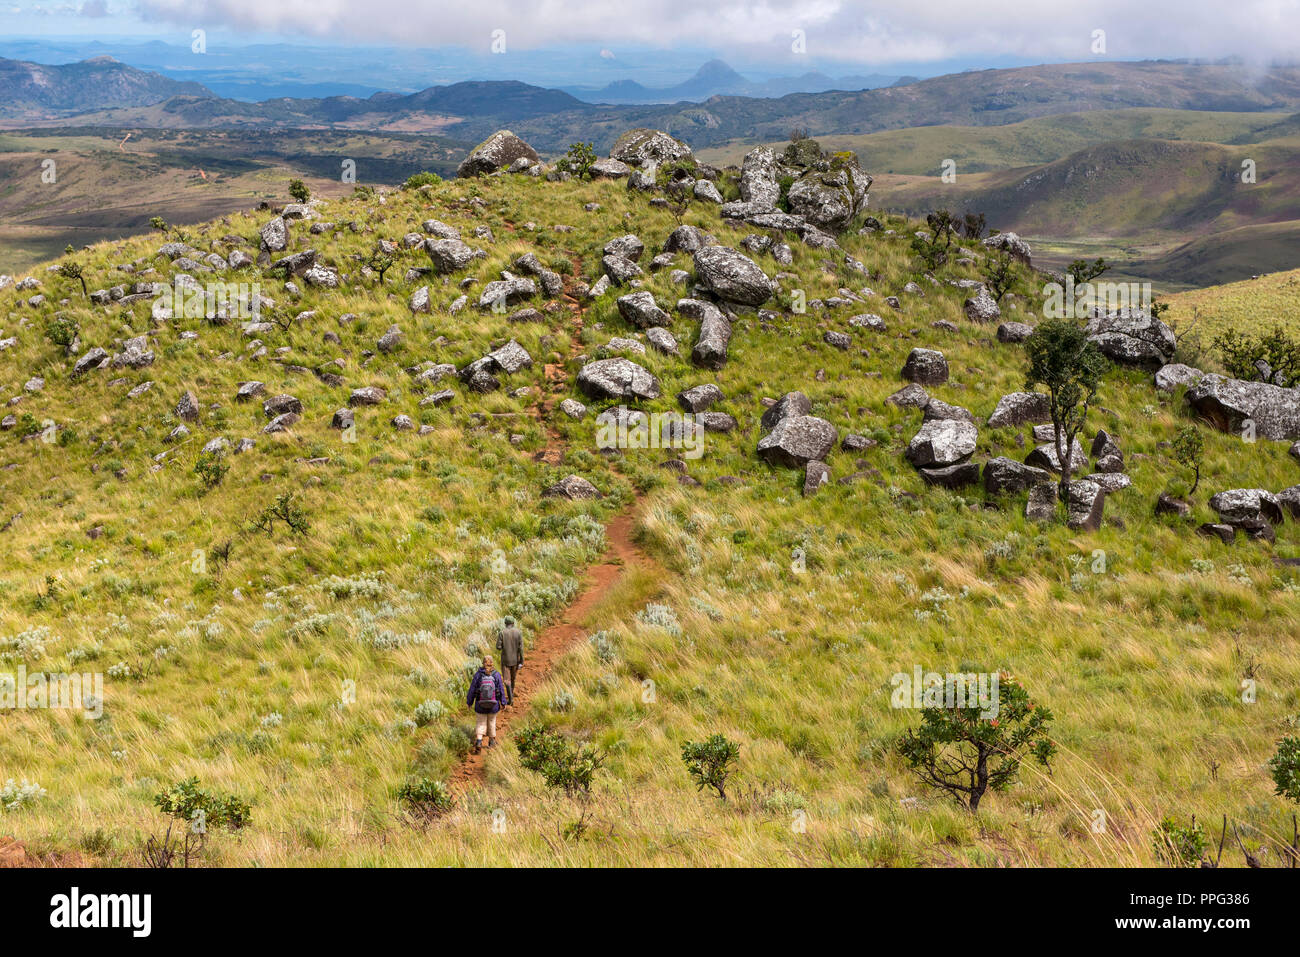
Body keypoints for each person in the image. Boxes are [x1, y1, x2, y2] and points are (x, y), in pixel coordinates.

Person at [466, 655, 506, 754]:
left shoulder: (478, 675)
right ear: (492, 663)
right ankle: (491, 742)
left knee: (480, 723)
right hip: (494, 705)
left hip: (480, 704)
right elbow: (501, 690)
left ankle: (479, 742)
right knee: (492, 722)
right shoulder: (496, 675)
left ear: (483, 663)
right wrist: (503, 702)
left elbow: (472, 689)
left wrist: (469, 702)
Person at [496, 616, 524, 706]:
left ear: (505, 623)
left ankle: (511, 699)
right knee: (513, 678)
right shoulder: (518, 632)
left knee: (506, 680)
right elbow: (521, 648)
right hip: (515, 660)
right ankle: (511, 694)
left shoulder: (502, 633)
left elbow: (498, 647)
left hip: (505, 660)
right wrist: (522, 661)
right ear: (513, 623)